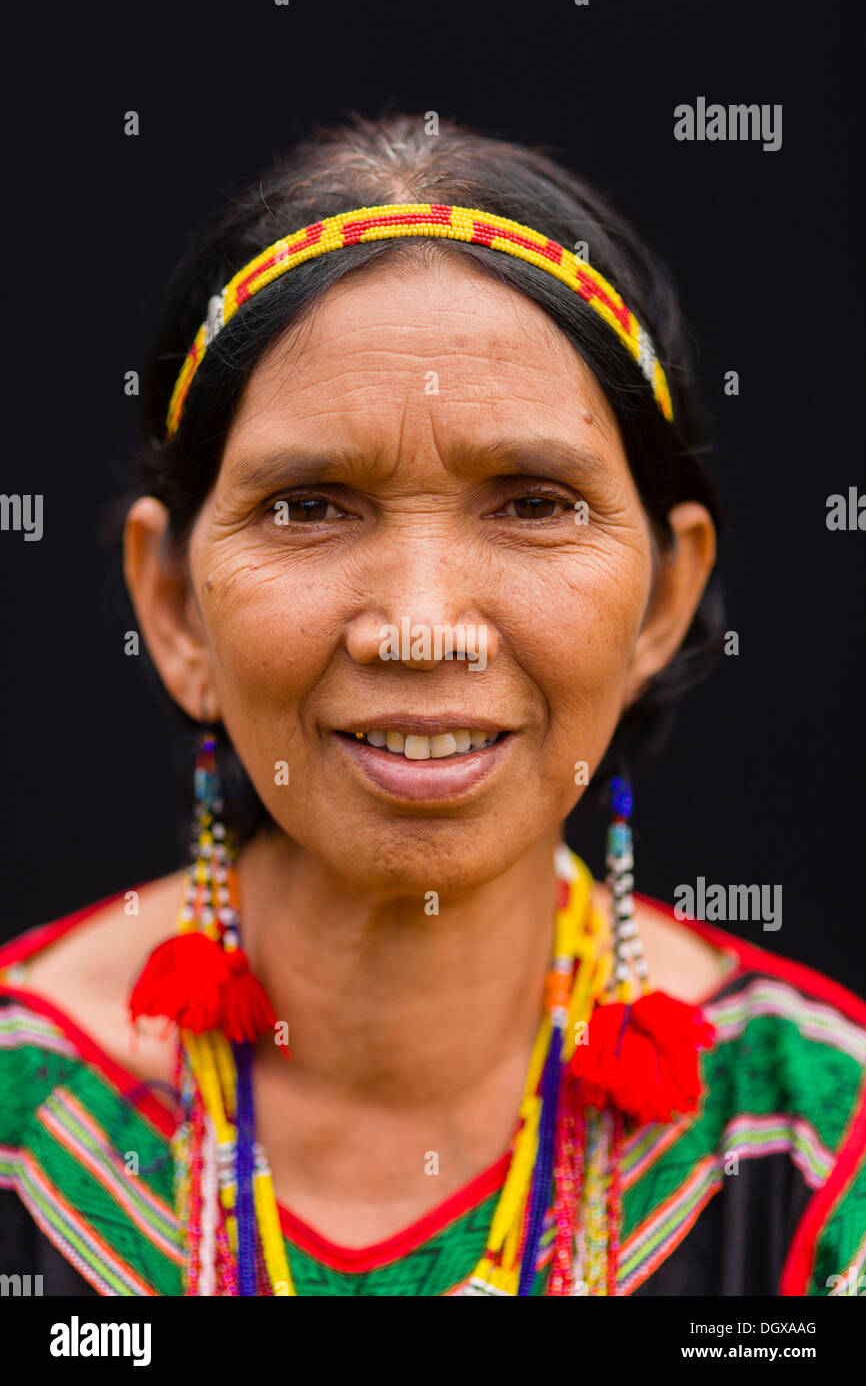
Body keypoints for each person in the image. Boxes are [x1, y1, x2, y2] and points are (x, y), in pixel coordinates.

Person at [1, 114, 864, 1297]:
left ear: (664, 595)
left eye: (530, 503)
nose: (418, 627)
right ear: (174, 603)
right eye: (309, 506)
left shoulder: (812, 1141)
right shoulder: (22, 1107)